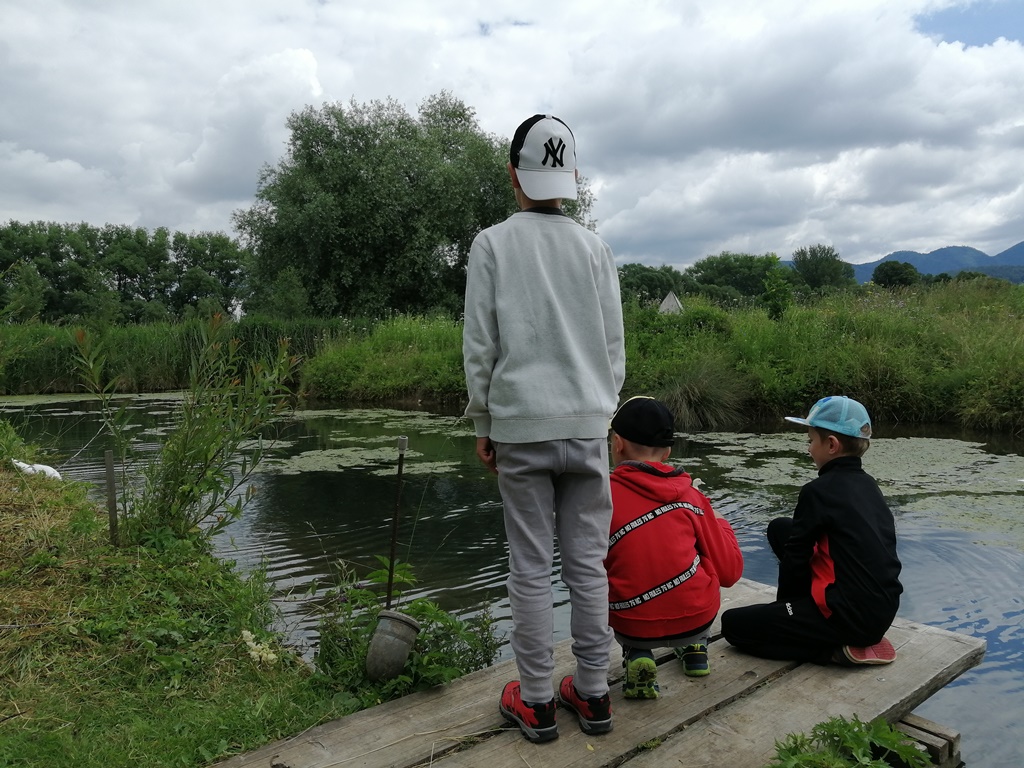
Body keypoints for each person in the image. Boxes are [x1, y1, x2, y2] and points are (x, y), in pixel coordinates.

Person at [462, 114, 625, 743]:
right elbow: (613, 349)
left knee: (530, 567)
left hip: (520, 426)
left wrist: (484, 420)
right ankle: (592, 693)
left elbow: (481, 344)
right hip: (587, 426)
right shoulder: (595, 248)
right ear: (571, 178)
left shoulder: (493, 244)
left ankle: (533, 702)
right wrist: (598, 412)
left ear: (513, 175)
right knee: (588, 565)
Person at [720, 395, 903, 666]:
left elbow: (795, 561)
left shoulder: (817, 492)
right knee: (781, 527)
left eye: (810, 440)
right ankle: (828, 628)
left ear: (831, 445)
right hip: (882, 610)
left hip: (847, 617)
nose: (808, 448)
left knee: (732, 625)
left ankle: (832, 651)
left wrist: (785, 611)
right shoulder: (869, 487)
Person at [605, 396, 743, 700]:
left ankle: (638, 653)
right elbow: (730, 573)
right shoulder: (691, 498)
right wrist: (718, 519)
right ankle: (695, 649)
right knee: (699, 548)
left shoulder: (600, 498)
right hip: (695, 619)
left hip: (630, 624)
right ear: (668, 451)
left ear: (617, 443)